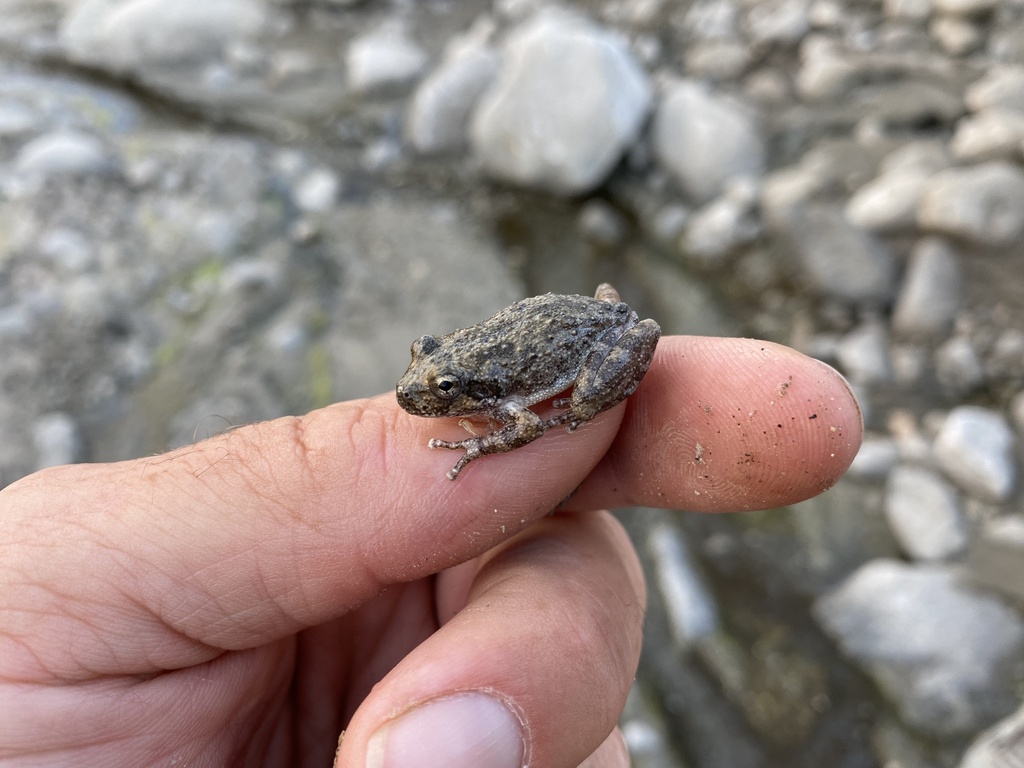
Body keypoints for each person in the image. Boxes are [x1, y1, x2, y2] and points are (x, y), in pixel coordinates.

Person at [0, 336, 862, 768]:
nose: (419, 395)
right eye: (427, 373)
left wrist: (522, 430)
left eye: (439, 390)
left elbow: (530, 414)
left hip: (586, 341)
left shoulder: (501, 393)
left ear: (471, 392)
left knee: (560, 489)